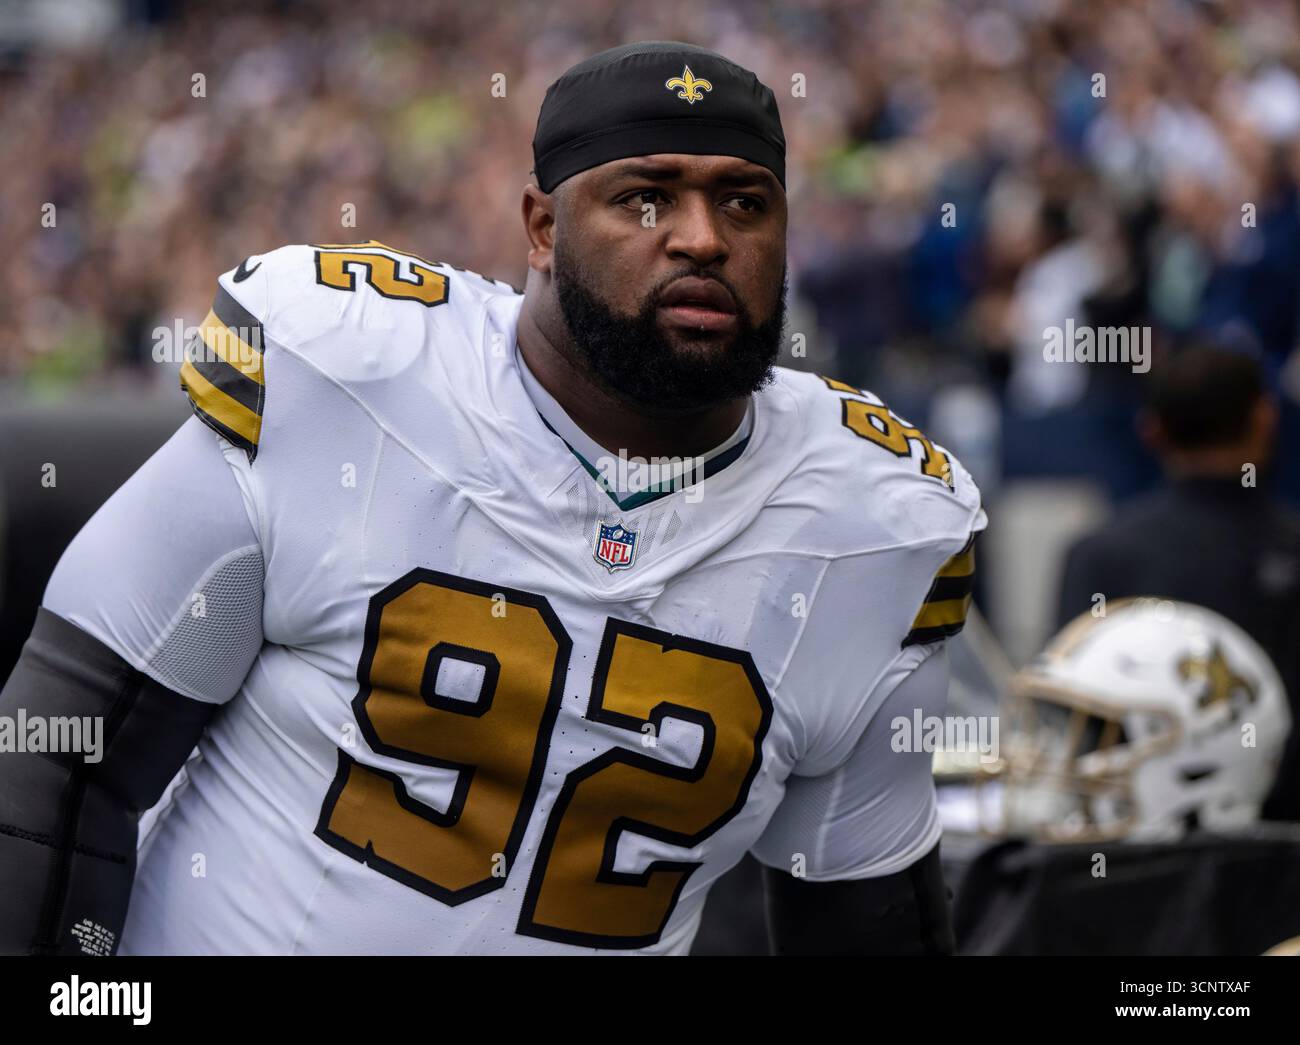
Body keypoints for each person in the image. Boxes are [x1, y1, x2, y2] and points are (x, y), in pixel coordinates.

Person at [0, 42, 984, 956]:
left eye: (744, 203)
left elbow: (864, 928)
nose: (700, 237)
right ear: (543, 228)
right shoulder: (346, 376)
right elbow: (60, 761)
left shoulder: (875, 527)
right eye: (646, 199)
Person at [1056, 345, 1300, 820]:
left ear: (1151, 431)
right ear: (1265, 418)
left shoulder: (1098, 555)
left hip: (1134, 844)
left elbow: (1077, 725)